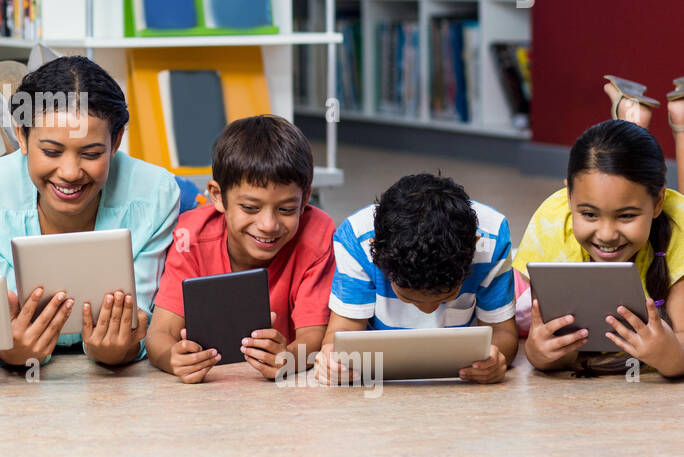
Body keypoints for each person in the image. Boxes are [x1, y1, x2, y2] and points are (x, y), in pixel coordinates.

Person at [0, 56, 180, 368]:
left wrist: (123, 349)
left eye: (91, 154)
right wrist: (8, 351)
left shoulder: (155, 192)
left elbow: (142, 321)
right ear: (21, 136)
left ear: (116, 141)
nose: (70, 172)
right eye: (51, 151)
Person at [148, 116, 336, 383]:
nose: (268, 225)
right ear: (217, 196)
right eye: (250, 208)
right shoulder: (191, 235)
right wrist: (173, 358)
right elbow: (159, 333)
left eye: (286, 209)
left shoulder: (317, 233)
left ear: (305, 199)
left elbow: (314, 335)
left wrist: (288, 358)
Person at [514, 119, 684, 377]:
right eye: (590, 215)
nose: (606, 235)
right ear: (569, 198)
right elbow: (551, 348)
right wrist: (539, 353)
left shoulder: (678, 226)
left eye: (626, 216)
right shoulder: (551, 224)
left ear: (658, 202)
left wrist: (670, 357)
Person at [316, 173, 518, 385]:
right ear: (376, 253)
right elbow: (343, 332)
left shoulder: (492, 237)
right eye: (408, 297)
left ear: (474, 247)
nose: (428, 310)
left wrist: (495, 359)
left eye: (446, 296)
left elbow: (503, 332)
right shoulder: (356, 239)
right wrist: (333, 361)